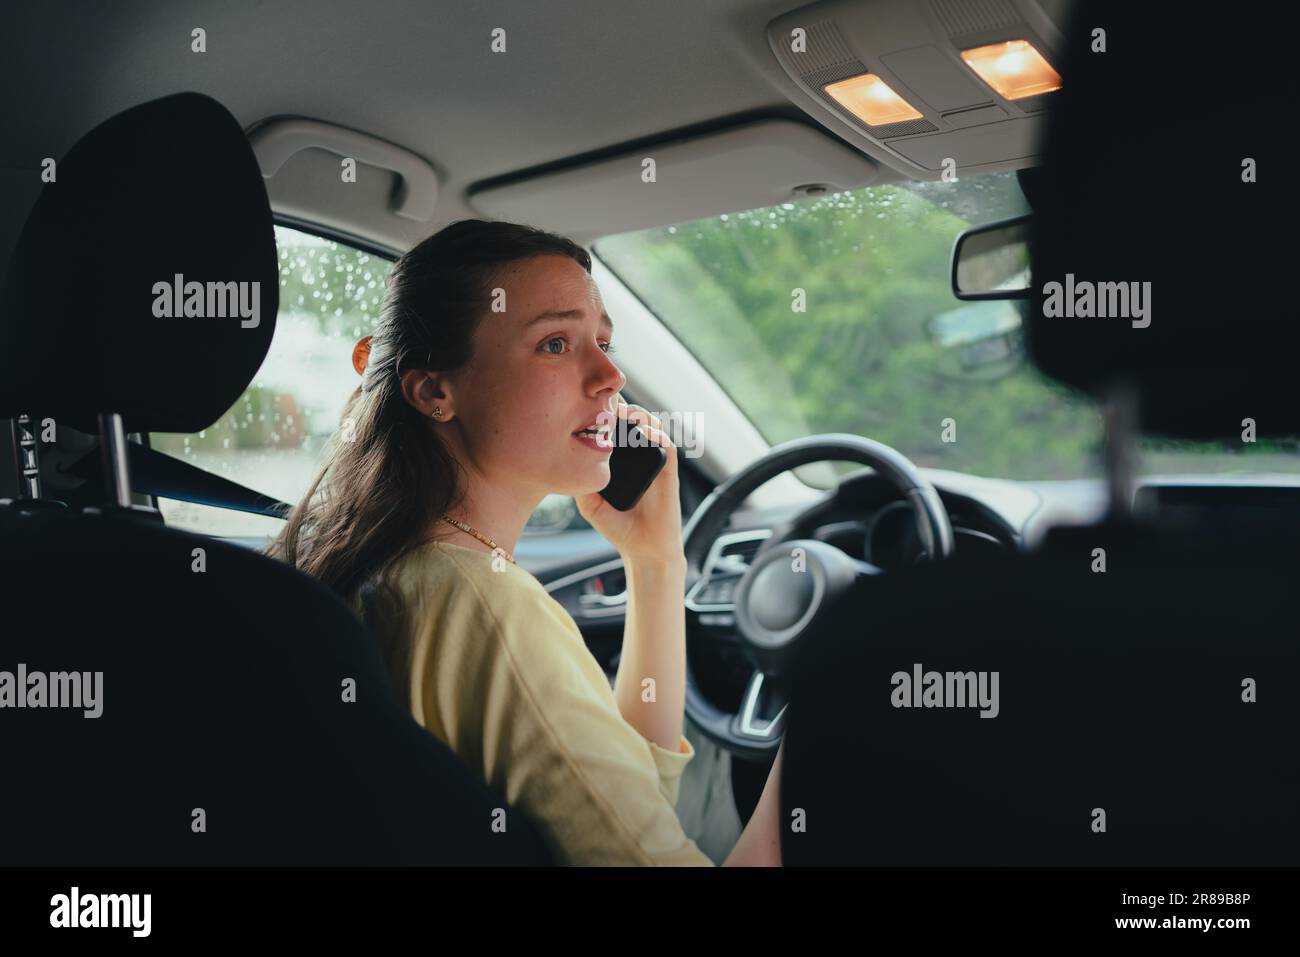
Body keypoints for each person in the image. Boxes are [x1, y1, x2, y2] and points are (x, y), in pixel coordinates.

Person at [267, 219, 784, 866]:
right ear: (435, 390)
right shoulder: (486, 607)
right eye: (556, 344)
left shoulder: (372, 570)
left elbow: (627, 809)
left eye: (603, 342)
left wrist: (655, 566)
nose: (610, 376)